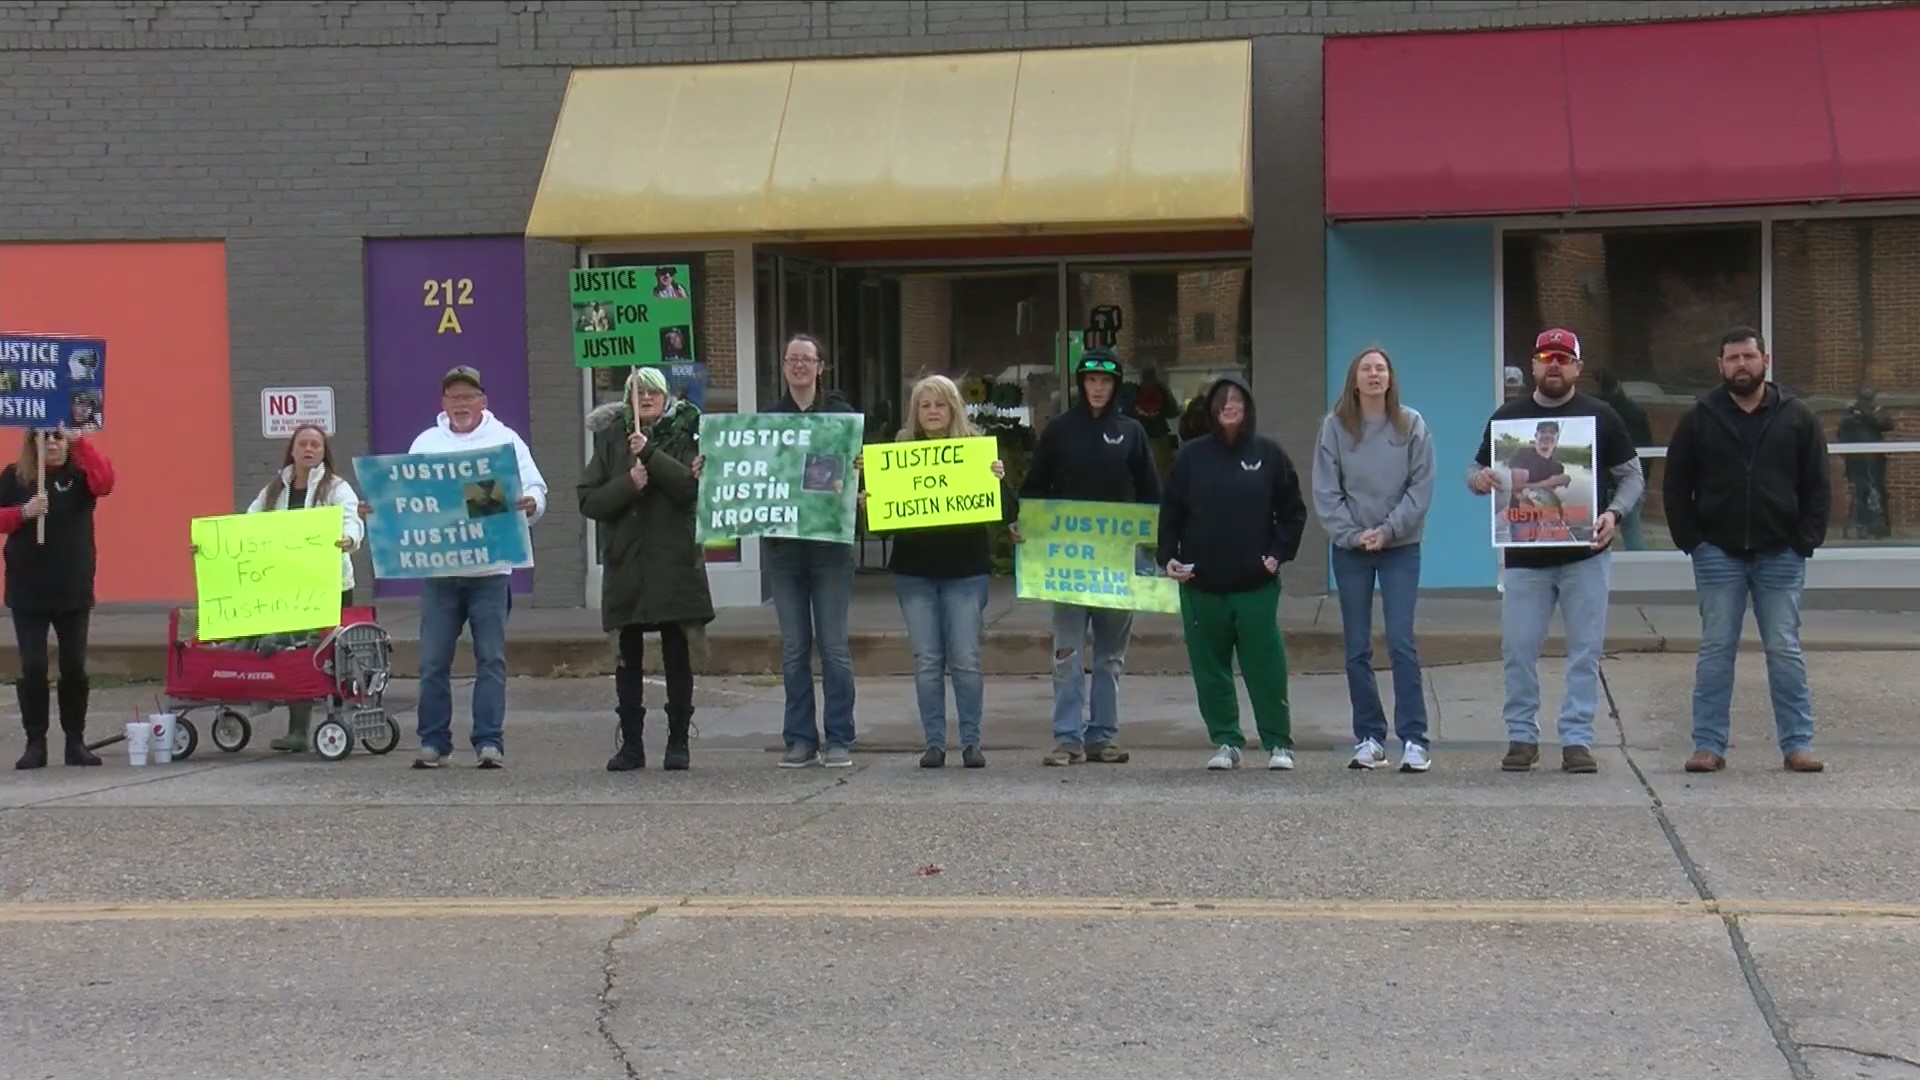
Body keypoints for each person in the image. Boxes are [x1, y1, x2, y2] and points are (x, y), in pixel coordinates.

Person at [1469, 329, 1643, 774]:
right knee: (1518, 649)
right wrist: (1481, 480)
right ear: (1533, 364)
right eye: (1547, 356)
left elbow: (1632, 475)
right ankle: (1522, 737)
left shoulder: (1600, 416)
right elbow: (1476, 470)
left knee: (1585, 651)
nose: (1555, 365)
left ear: (1578, 369)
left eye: (1564, 358)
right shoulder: (1509, 420)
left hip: (1585, 555)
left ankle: (1577, 740)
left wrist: (1614, 515)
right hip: (1525, 557)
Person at [360, 365, 547, 770]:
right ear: (443, 403)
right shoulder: (426, 442)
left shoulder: (505, 441)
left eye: (468, 397)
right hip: (441, 575)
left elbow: (534, 487)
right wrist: (379, 507)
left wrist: (531, 503)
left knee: (491, 661)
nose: (460, 404)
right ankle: (433, 741)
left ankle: (488, 742)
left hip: (491, 573)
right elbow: (405, 496)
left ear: (483, 401)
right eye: (453, 398)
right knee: (432, 662)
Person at [1663, 327, 1830, 774]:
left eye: (1748, 357)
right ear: (1720, 366)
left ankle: (1798, 744)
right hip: (1718, 553)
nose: (1741, 365)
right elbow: (1676, 484)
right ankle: (1708, 746)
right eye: (1732, 358)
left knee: (1784, 648)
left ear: (1765, 360)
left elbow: (1818, 485)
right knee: (1717, 649)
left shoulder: (1797, 416)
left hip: (1781, 553)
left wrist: (1803, 542)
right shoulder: (1699, 417)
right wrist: (1692, 541)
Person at [1017, 346, 1161, 767]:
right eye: (1091, 381)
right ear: (1081, 384)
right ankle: (1067, 738)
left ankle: (1103, 736)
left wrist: (1155, 545)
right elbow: (1035, 488)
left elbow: (1151, 492)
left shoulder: (1131, 432)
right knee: (1067, 653)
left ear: (1116, 385)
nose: (1098, 388)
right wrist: (1026, 527)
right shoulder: (1059, 430)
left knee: (1110, 657)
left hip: (1117, 561)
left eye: (1106, 381)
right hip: (1068, 562)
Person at [1159, 376, 1306, 771]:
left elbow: (1292, 512)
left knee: (1265, 666)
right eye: (1222, 400)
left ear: (1248, 406)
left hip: (1254, 583)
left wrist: (1277, 556)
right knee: (1210, 668)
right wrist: (1166, 556)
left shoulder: (1269, 455)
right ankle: (1226, 741)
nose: (1230, 405)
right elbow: (1171, 512)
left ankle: (1278, 743)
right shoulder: (1190, 457)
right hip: (1200, 583)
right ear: (1210, 408)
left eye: (1237, 399)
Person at [880, 374, 1016, 770]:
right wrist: (868, 499)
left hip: (965, 571)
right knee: (926, 660)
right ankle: (935, 744)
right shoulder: (900, 451)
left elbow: (1006, 514)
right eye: (925, 405)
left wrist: (999, 481)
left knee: (965, 658)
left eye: (940, 404)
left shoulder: (976, 451)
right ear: (916, 412)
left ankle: (971, 742)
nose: (933, 412)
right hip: (915, 572)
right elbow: (883, 521)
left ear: (954, 408)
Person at [582, 366, 713, 772]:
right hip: (628, 564)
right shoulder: (609, 440)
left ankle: (678, 742)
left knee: (678, 653)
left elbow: (689, 489)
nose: (646, 399)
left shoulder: (687, 435)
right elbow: (589, 500)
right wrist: (628, 484)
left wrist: (650, 455)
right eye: (638, 392)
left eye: (653, 392)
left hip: (674, 561)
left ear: (665, 397)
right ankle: (632, 745)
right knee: (628, 657)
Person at [1312, 347, 1437, 773]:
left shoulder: (1411, 424)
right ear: (1354, 378)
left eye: (1381, 369)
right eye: (1366, 369)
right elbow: (1327, 491)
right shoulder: (1335, 428)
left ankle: (1415, 740)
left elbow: (1420, 488)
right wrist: (1353, 534)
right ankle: (1369, 737)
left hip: (1400, 547)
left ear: (1390, 378)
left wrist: (1387, 530)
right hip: (1351, 551)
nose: (1374, 375)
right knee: (1357, 647)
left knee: (1401, 641)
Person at [764, 334, 862, 769]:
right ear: (784, 367)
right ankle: (800, 739)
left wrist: (862, 473)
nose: (799, 366)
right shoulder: (766, 420)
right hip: (785, 550)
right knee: (793, 648)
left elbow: (863, 472)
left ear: (821, 366)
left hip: (830, 548)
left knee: (834, 647)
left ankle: (840, 736)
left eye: (807, 359)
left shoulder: (842, 417)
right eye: (792, 359)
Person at [243, 423, 364, 753]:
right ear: (292, 450)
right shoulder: (274, 490)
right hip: (288, 586)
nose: (309, 449)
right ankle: (298, 731)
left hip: (330, 584)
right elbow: (247, 525)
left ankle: (339, 721)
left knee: (328, 654)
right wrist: (210, 547)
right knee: (296, 654)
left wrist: (349, 538)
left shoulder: (336, 487)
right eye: (303, 444)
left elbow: (351, 518)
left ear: (324, 452)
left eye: (316, 445)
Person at [1, 425, 114, 769]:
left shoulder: (80, 477)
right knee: (34, 666)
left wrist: (83, 441)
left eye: (58, 437)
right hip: (29, 589)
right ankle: (35, 742)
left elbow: (105, 482)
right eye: (44, 436)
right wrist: (22, 513)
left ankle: (75, 741)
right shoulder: (14, 477)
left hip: (72, 587)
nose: (51, 442)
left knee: (73, 666)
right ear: (32, 441)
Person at [1595, 371, 1653, 550]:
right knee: (1631, 530)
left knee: (1599, 531)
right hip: (1630, 474)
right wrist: (1644, 475)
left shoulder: (1605, 412)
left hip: (1614, 479)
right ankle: (1640, 567)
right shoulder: (1634, 410)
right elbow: (1647, 440)